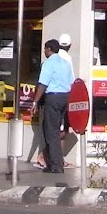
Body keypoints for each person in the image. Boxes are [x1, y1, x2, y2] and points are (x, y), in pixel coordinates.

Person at [33, 37, 74, 174]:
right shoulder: (65, 63)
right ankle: (54, 161)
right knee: (56, 130)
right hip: (65, 98)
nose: (44, 51)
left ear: (49, 49)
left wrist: (35, 101)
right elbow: (71, 83)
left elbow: (43, 84)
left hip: (53, 98)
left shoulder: (48, 64)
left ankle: (56, 165)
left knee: (51, 132)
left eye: (45, 49)